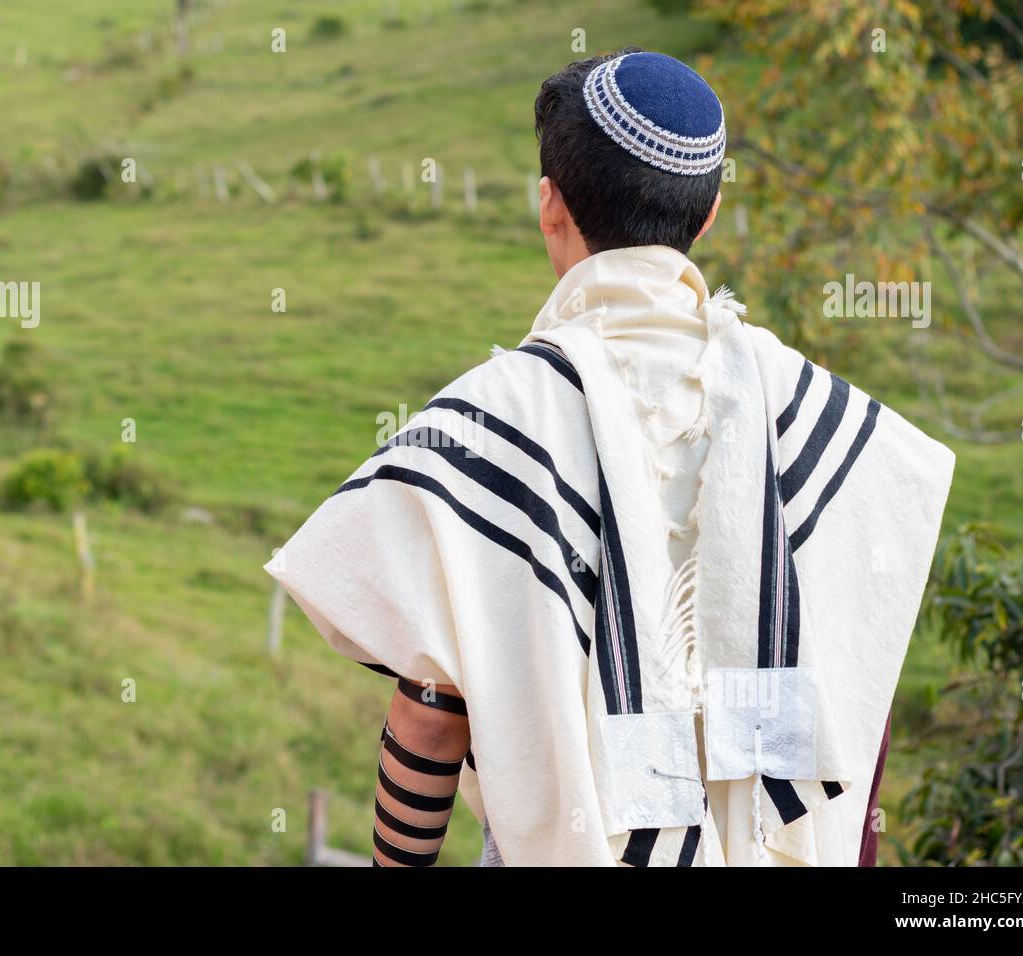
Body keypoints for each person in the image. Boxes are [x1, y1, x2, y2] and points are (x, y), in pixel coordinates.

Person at [266, 50, 954, 867]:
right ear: (707, 216)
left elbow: (428, 717)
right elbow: (856, 686)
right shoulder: (834, 423)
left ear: (550, 206)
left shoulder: (484, 427)